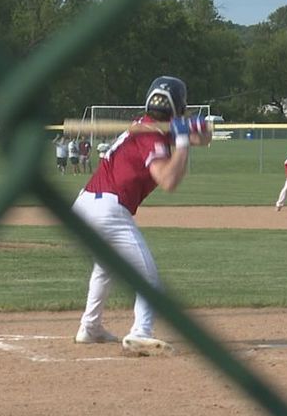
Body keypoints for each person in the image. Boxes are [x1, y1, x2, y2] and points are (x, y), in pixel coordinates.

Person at [72, 76, 210, 356]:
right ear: (178, 106)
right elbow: (168, 180)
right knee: (149, 278)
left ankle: (90, 327)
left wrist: (195, 128)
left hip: (85, 206)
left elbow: (203, 138)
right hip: (108, 210)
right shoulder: (150, 136)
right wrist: (183, 141)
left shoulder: (146, 125)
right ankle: (140, 332)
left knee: (105, 267)